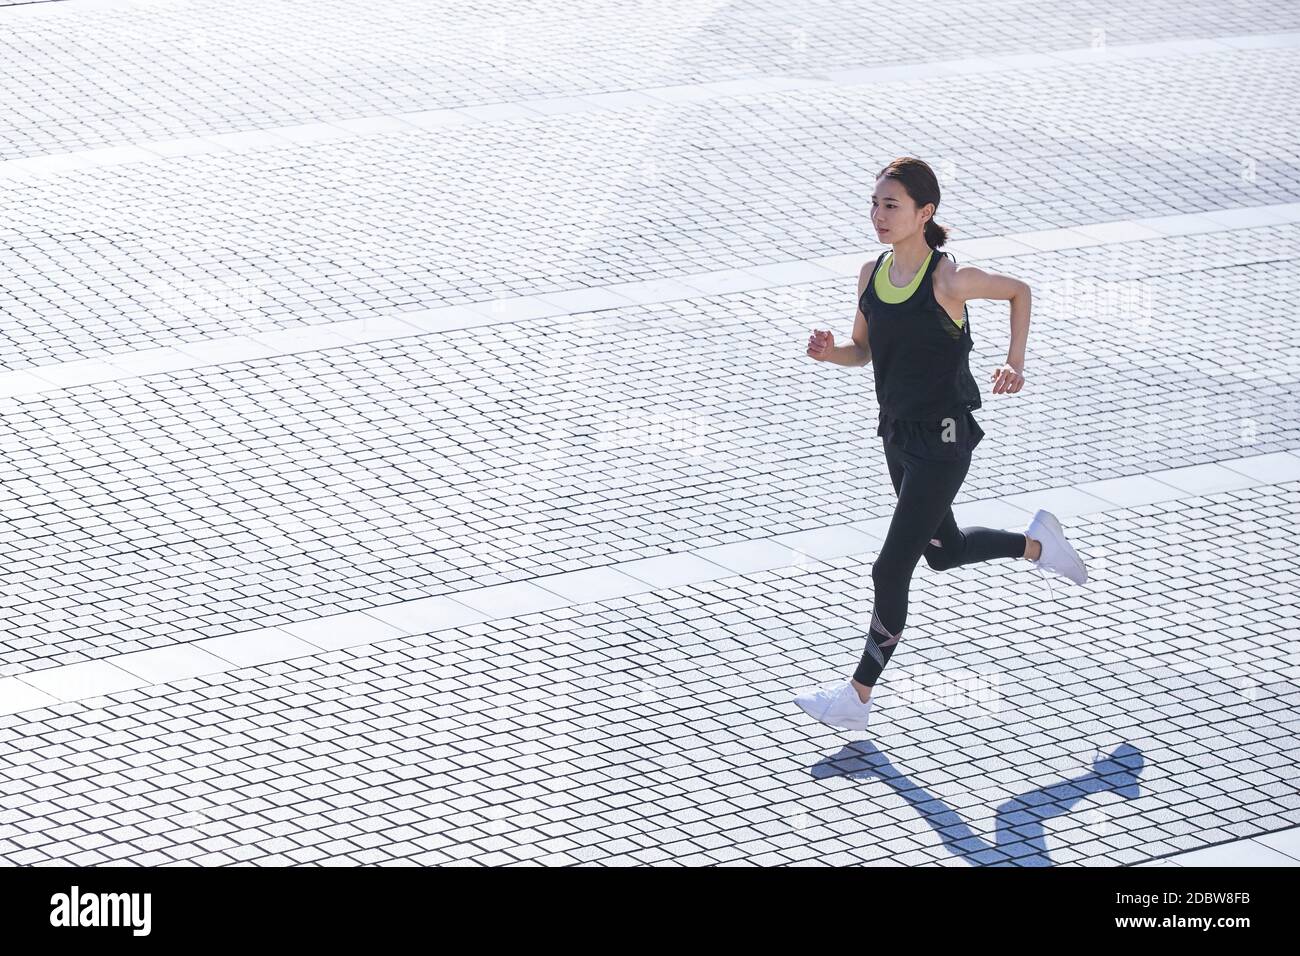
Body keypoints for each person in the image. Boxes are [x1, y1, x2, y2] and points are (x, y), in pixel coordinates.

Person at [795, 156, 1086, 732]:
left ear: (925, 213)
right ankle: (1037, 544)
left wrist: (1015, 361)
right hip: (897, 435)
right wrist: (832, 354)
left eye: (892, 205)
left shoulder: (948, 279)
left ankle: (857, 696)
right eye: (875, 203)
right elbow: (864, 351)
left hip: (945, 441)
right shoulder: (871, 273)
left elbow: (1019, 291)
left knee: (890, 568)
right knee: (943, 550)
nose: (878, 215)